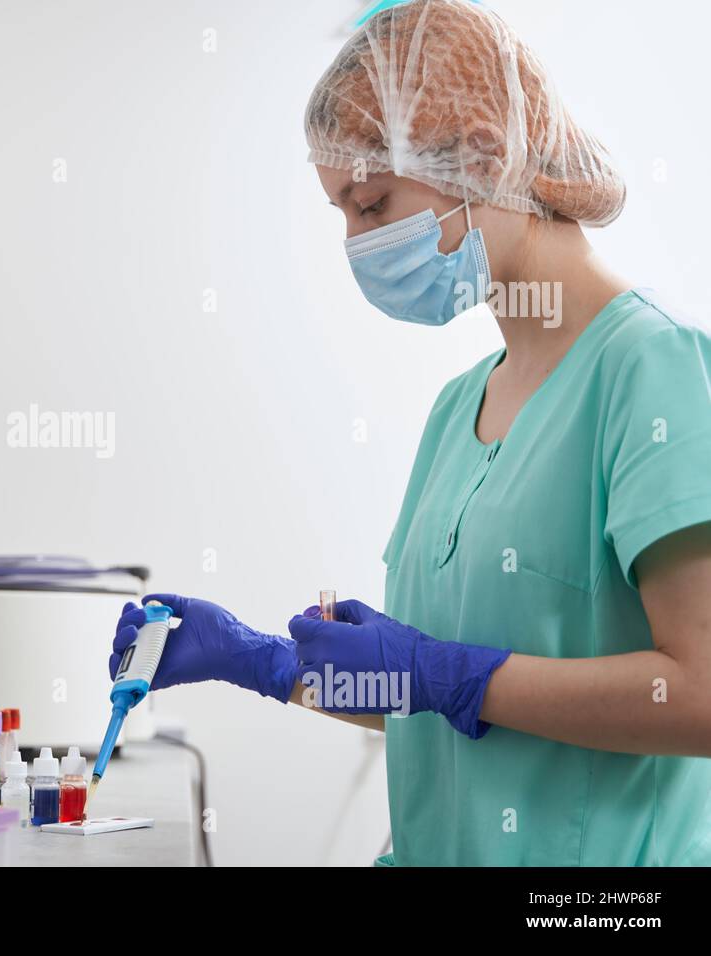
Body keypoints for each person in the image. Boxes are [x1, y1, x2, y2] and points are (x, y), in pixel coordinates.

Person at [112, 0, 711, 866]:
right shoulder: (460, 408)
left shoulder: (652, 370)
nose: (358, 242)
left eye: (371, 201)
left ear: (480, 154)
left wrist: (448, 671)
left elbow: (698, 696)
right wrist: (267, 662)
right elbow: (450, 693)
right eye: (344, 214)